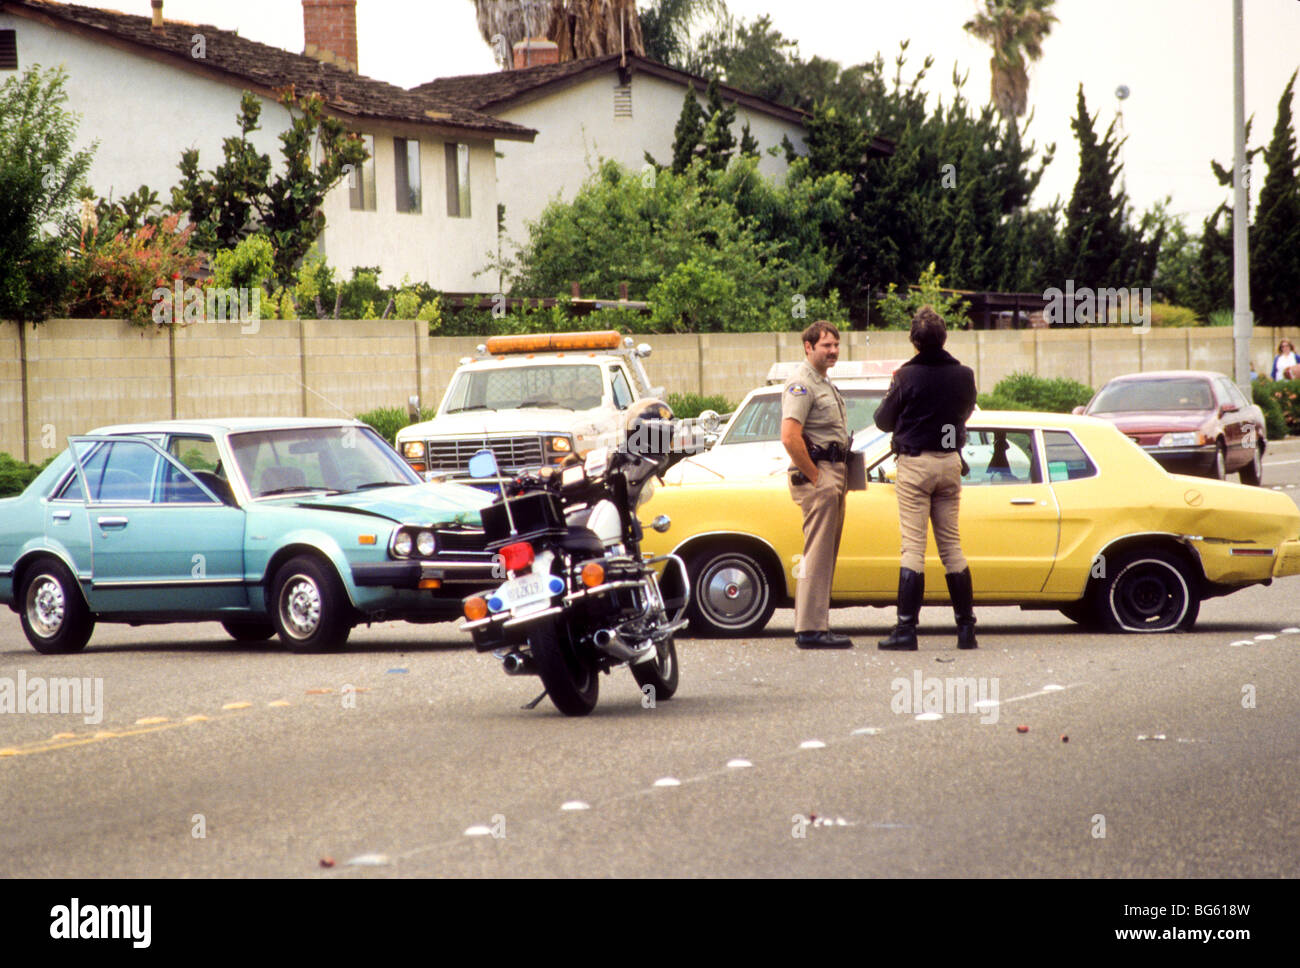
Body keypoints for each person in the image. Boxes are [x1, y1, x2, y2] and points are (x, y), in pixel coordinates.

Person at [873, 306, 978, 651]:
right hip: (949, 462)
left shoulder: (906, 376)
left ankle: (906, 630)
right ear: (944, 337)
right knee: (952, 547)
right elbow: (964, 413)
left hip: (916, 465)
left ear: (915, 341)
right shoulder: (964, 374)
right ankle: (966, 629)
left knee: (913, 549)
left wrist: (897, 392)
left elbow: (883, 421)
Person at [781, 320, 853, 649]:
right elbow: (790, 437)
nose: (833, 350)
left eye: (836, 345)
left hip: (834, 472)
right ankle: (809, 630)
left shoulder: (824, 382)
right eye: (826, 345)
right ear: (808, 347)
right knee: (817, 554)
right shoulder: (801, 384)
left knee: (825, 554)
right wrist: (816, 477)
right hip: (819, 474)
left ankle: (818, 626)